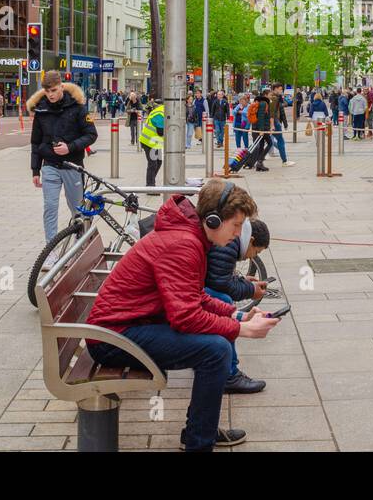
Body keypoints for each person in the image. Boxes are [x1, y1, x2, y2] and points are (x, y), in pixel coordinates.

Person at [86, 179, 280, 451]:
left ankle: (201, 433)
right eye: (236, 225)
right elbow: (185, 317)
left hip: (128, 326)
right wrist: (242, 330)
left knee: (217, 347)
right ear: (213, 220)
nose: (238, 235)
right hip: (112, 339)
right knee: (216, 351)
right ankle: (199, 440)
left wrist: (236, 316)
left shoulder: (190, 237)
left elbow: (194, 296)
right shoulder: (183, 244)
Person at [28, 70, 98, 261]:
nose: (51, 94)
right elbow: (35, 142)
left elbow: (91, 134)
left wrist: (70, 147)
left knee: (77, 208)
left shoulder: (77, 107)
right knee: (50, 207)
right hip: (49, 166)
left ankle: (80, 243)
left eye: (54, 90)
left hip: (72, 166)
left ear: (61, 86)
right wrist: (35, 169)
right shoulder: (41, 110)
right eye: (47, 91)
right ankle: (50, 251)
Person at [204, 217, 271, 394]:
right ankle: (229, 375)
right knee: (223, 299)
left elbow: (216, 275)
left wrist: (241, 281)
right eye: (255, 252)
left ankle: (227, 370)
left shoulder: (229, 234)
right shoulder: (231, 240)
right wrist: (250, 290)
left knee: (223, 302)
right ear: (251, 241)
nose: (253, 257)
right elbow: (219, 283)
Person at [138, 96, 166, 187]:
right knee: (153, 163)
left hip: (155, 143)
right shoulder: (160, 114)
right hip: (148, 142)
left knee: (158, 162)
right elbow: (160, 132)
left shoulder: (161, 112)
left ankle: (151, 181)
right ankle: (150, 185)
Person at [269, 84, 294, 167]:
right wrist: (272, 125)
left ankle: (259, 160)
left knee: (268, 141)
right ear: (275, 89)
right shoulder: (274, 98)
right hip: (274, 122)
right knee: (280, 141)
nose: (281, 91)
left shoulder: (271, 97)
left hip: (271, 121)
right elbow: (272, 113)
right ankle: (284, 161)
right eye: (280, 89)